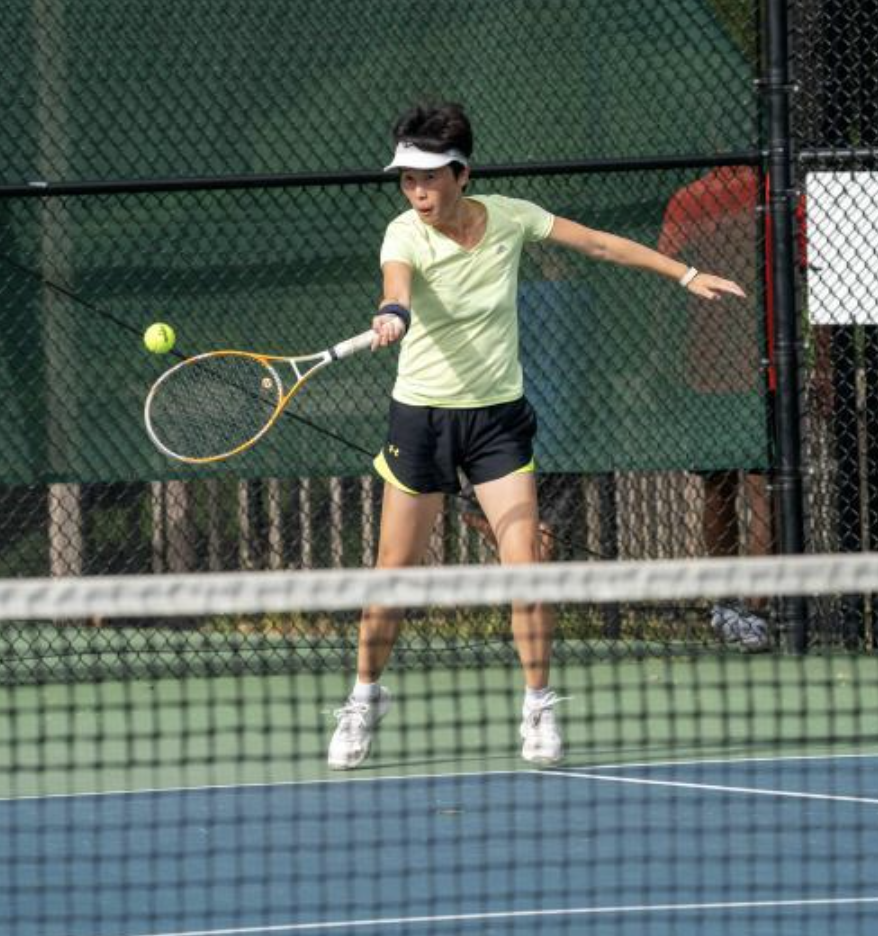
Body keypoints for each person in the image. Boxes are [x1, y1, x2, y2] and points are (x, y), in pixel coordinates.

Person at [327, 101, 746, 771]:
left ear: (463, 174)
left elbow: (600, 245)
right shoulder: (402, 233)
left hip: (497, 420)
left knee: (526, 562)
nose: (417, 191)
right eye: (407, 179)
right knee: (392, 578)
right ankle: (364, 698)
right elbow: (396, 285)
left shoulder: (513, 218)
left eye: (429, 177)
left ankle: (538, 706)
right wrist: (392, 316)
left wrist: (686, 273)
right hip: (423, 420)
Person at [658, 165, 772, 651]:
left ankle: (754, 612)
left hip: (764, 371)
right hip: (710, 372)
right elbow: (666, 286)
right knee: (731, 487)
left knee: (756, 488)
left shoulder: (777, 190)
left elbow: (810, 273)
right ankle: (737, 609)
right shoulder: (692, 198)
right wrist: (663, 359)